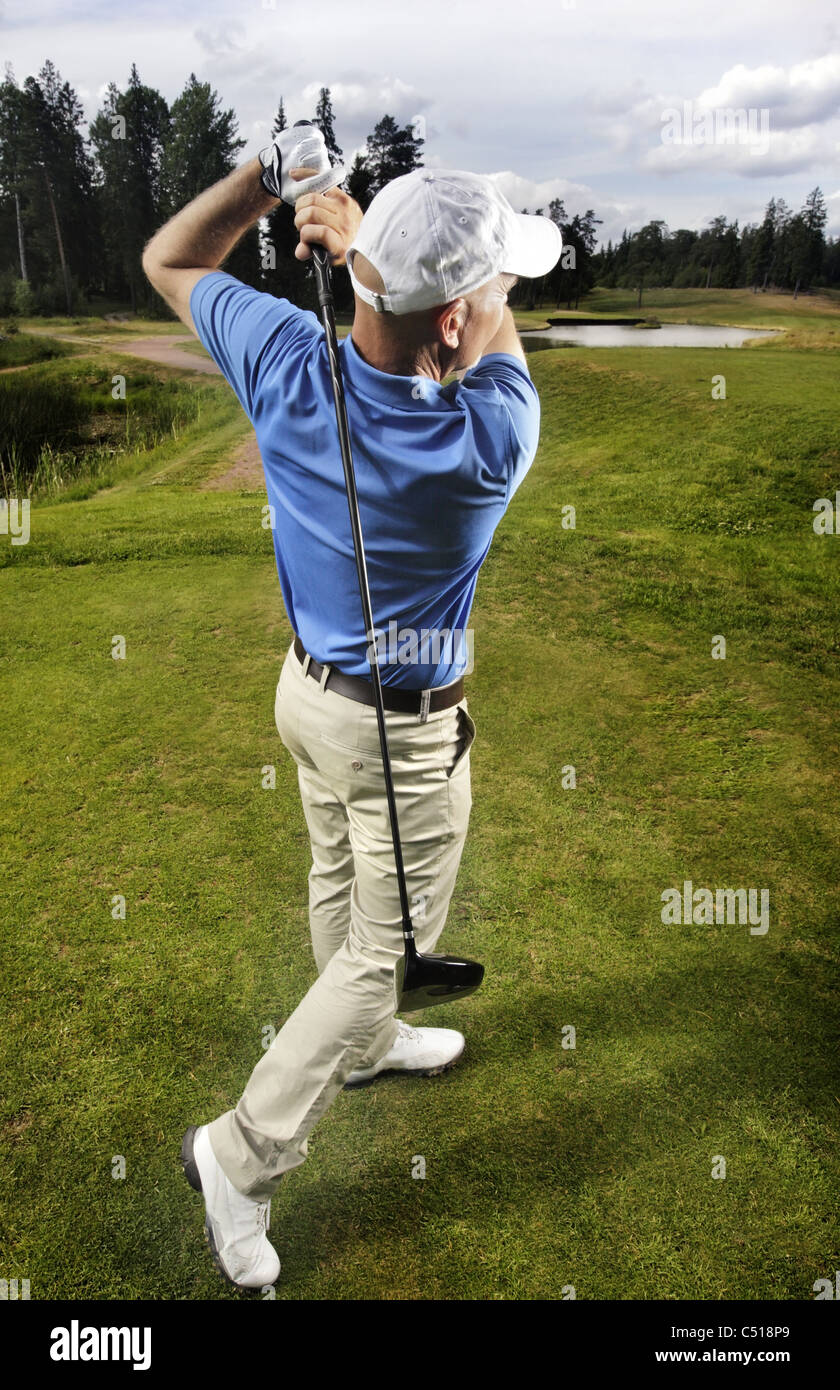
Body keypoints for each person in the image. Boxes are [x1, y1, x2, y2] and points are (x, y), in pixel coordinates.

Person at [142, 125, 562, 1290]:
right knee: (384, 951)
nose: (499, 299)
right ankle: (241, 1152)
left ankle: (366, 1050)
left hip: (309, 701)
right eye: (490, 287)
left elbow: (172, 262)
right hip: (405, 735)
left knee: (337, 869)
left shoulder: (284, 356)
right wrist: (380, 242)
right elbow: (488, 341)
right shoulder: (490, 438)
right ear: (452, 321)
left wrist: (278, 186)